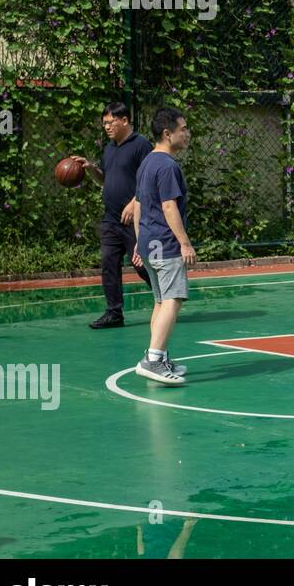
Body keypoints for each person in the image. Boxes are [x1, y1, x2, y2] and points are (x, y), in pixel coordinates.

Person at [73, 101, 153, 328]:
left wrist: (134, 203)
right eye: (104, 123)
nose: (106, 127)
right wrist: (91, 169)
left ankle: (167, 298)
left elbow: (149, 180)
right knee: (109, 264)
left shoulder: (141, 145)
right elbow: (105, 180)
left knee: (141, 265)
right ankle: (114, 313)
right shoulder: (109, 148)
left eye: (110, 122)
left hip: (134, 219)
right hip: (111, 219)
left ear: (124, 120)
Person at [132, 107, 195, 385]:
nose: (187, 133)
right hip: (167, 244)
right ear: (168, 134)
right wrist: (185, 244)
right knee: (173, 298)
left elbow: (138, 205)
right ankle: (154, 360)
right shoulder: (168, 166)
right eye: (183, 129)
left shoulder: (147, 162)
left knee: (160, 300)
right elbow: (169, 207)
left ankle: (158, 355)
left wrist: (138, 240)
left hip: (149, 242)